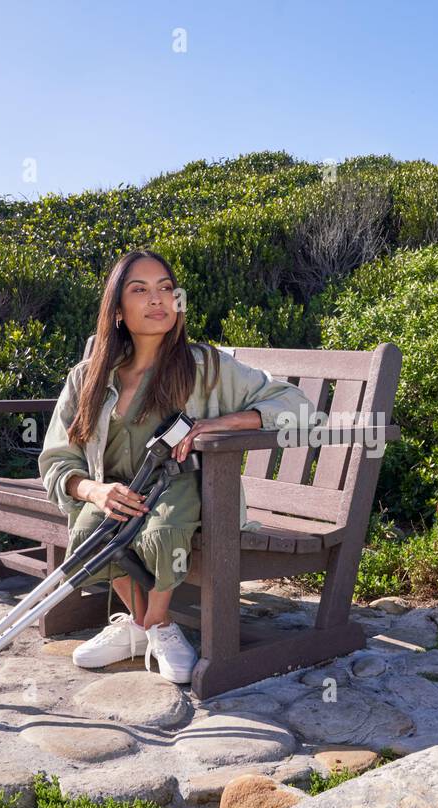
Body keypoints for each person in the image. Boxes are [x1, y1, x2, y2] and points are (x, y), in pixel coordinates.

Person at [38, 249, 314, 683]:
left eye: (166, 289)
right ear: (116, 310)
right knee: (93, 527)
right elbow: (57, 458)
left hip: (184, 488)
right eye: (140, 290)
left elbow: (297, 406)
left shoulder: (206, 365)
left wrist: (218, 423)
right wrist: (94, 490)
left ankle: (157, 626)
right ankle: (139, 622)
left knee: (164, 528)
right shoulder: (86, 376)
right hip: (118, 491)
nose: (157, 300)